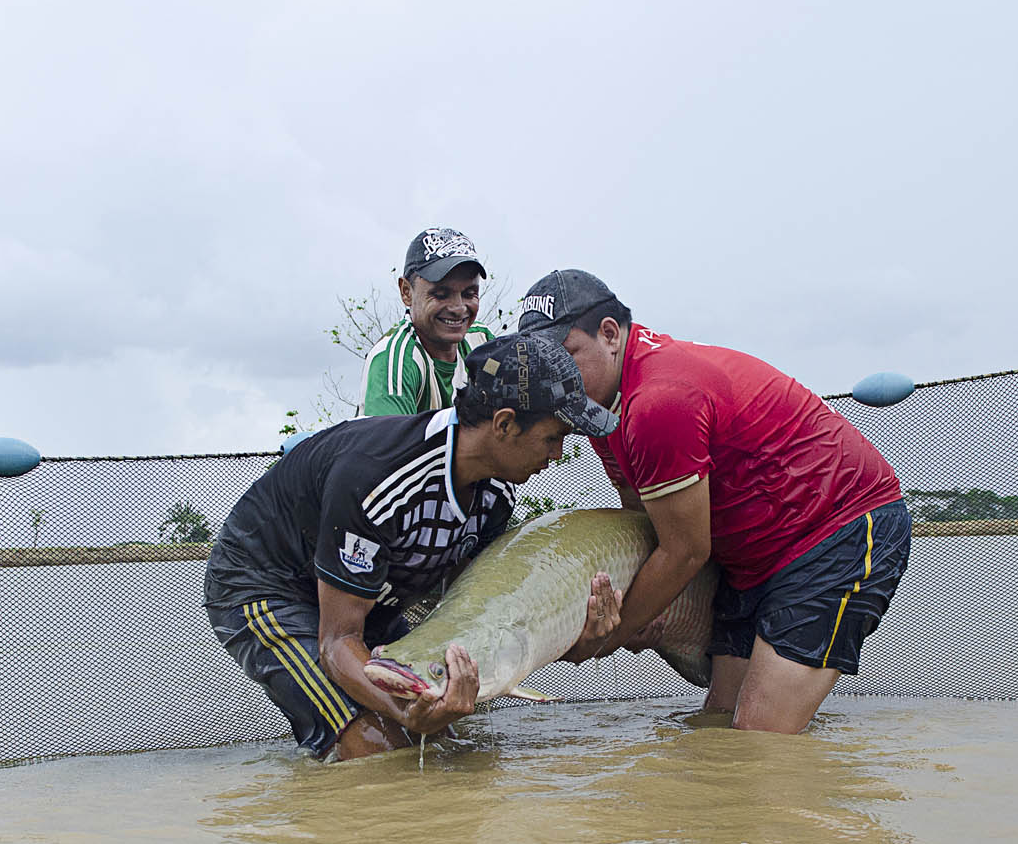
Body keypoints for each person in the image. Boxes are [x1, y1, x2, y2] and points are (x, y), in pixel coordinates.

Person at [517, 270, 910, 733]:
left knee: (758, 738)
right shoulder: (598, 408)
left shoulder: (659, 400)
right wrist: (642, 614)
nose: (552, 376)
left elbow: (685, 551)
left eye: (563, 355)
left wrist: (606, 637)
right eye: (541, 362)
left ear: (609, 334)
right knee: (718, 725)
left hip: (839, 526)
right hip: (752, 557)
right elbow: (644, 522)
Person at [208, 333, 622, 760]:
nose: (557, 455)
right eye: (553, 437)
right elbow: (337, 642)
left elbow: (472, 613)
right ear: (504, 424)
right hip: (267, 586)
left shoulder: (496, 494)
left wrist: (576, 639)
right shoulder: (376, 478)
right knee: (378, 748)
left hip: (369, 598)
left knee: (444, 741)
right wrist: (404, 715)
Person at [361, 228, 495, 416]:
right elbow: (391, 436)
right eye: (441, 294)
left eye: (469, 294)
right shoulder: (394, 363)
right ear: (406, 292)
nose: (458, 308)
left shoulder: (482, 342)